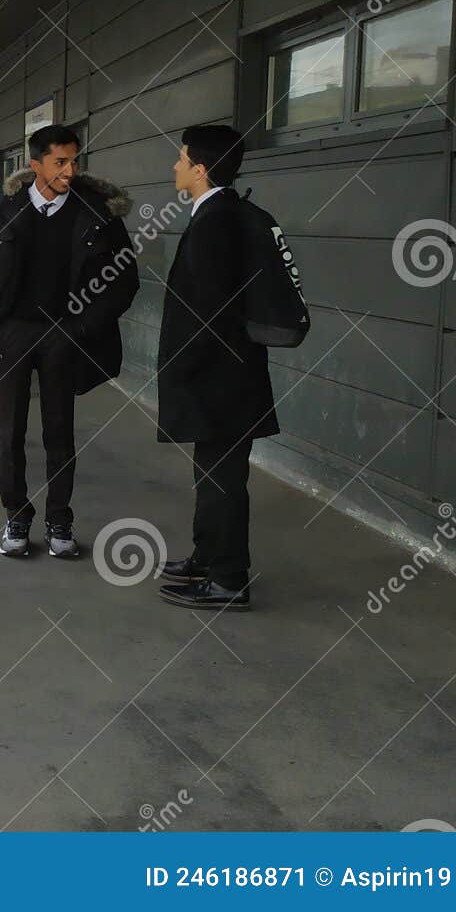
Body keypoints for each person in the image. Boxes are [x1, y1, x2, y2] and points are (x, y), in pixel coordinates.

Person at [0, 124, 139, 558]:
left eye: (75, 160)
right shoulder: (0, 214)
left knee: (60, 433)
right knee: (10, 433)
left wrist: (79, 329)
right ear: (35, 164)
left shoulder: (96, 214)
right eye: (60, 161)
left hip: (65, 334)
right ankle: (16, 516)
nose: (70, 170)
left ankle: (60, 519)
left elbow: (124, 281)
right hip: (11, 334)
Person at [156, 125, 276, 611]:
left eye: (181, 159)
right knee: (213, 473)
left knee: (223, 479)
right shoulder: (221, 213)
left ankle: (229, 580)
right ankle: (208, 558)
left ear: (200, 170)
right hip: (226, 374)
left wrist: (182, 369)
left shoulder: (216, 221)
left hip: (220, 378)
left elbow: (211, 308)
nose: (175, 167)